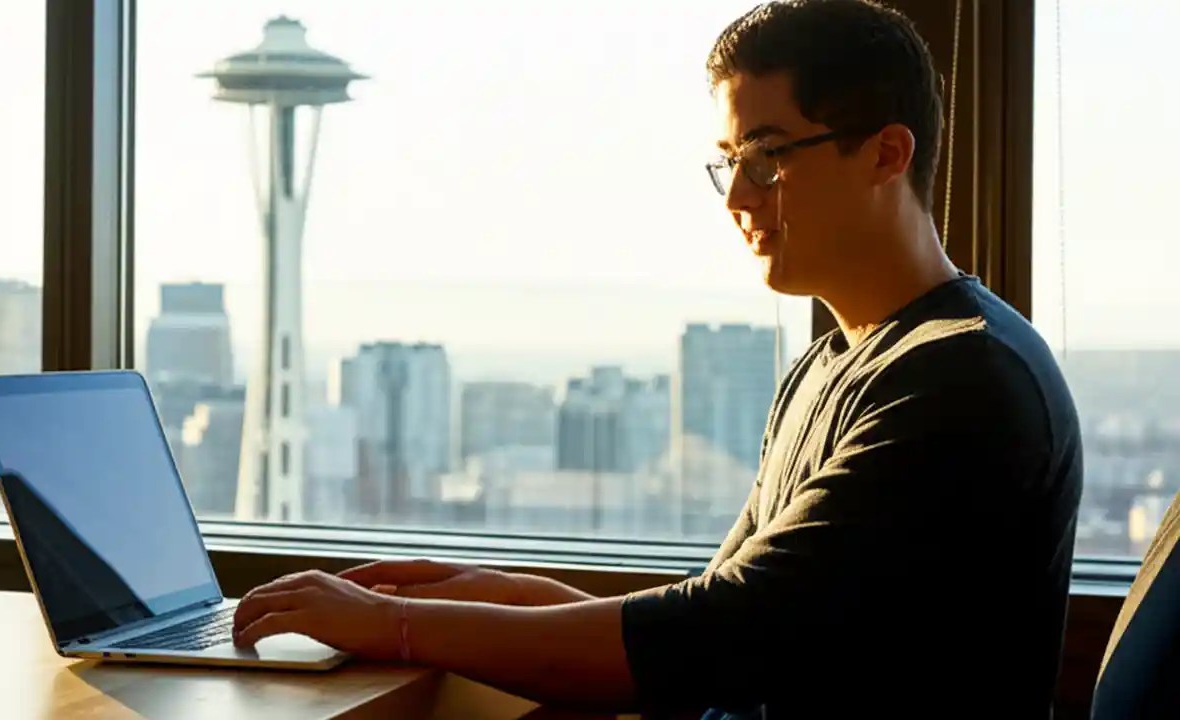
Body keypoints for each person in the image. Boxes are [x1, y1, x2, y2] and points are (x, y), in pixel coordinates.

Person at [231, 1, 1083, 716]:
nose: (741, 197)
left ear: (886, 154)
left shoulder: (963, 380)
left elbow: (715, 638)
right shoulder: (832, 366)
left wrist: (399, 627)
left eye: (768, 157)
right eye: (729, 163)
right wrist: (495, 592)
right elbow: (720, 619)